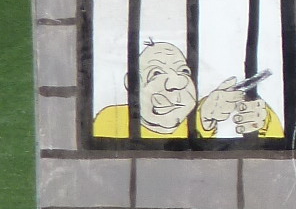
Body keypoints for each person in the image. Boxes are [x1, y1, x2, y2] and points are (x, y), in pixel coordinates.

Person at [92, 41, 282, 139]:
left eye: (183, 71)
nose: (176, 82)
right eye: (156, 73)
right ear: (131, 83)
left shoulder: (209, 114)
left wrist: (264, 120)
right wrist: (202, 119)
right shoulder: (111, 118)